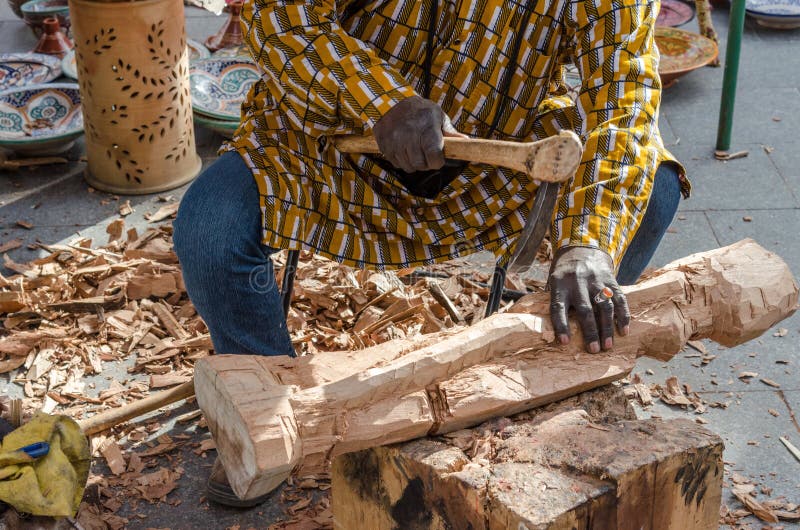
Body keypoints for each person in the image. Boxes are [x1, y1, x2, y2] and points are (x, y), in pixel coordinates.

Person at [174, 0, 688, 506]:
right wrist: (381, 100)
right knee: (211, 230)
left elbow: (625, 98)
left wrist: (587, 241)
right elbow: (281, 18)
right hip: (336, 143)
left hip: (497, 157)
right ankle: (267, 415)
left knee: (653, 191)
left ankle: (551, 381)